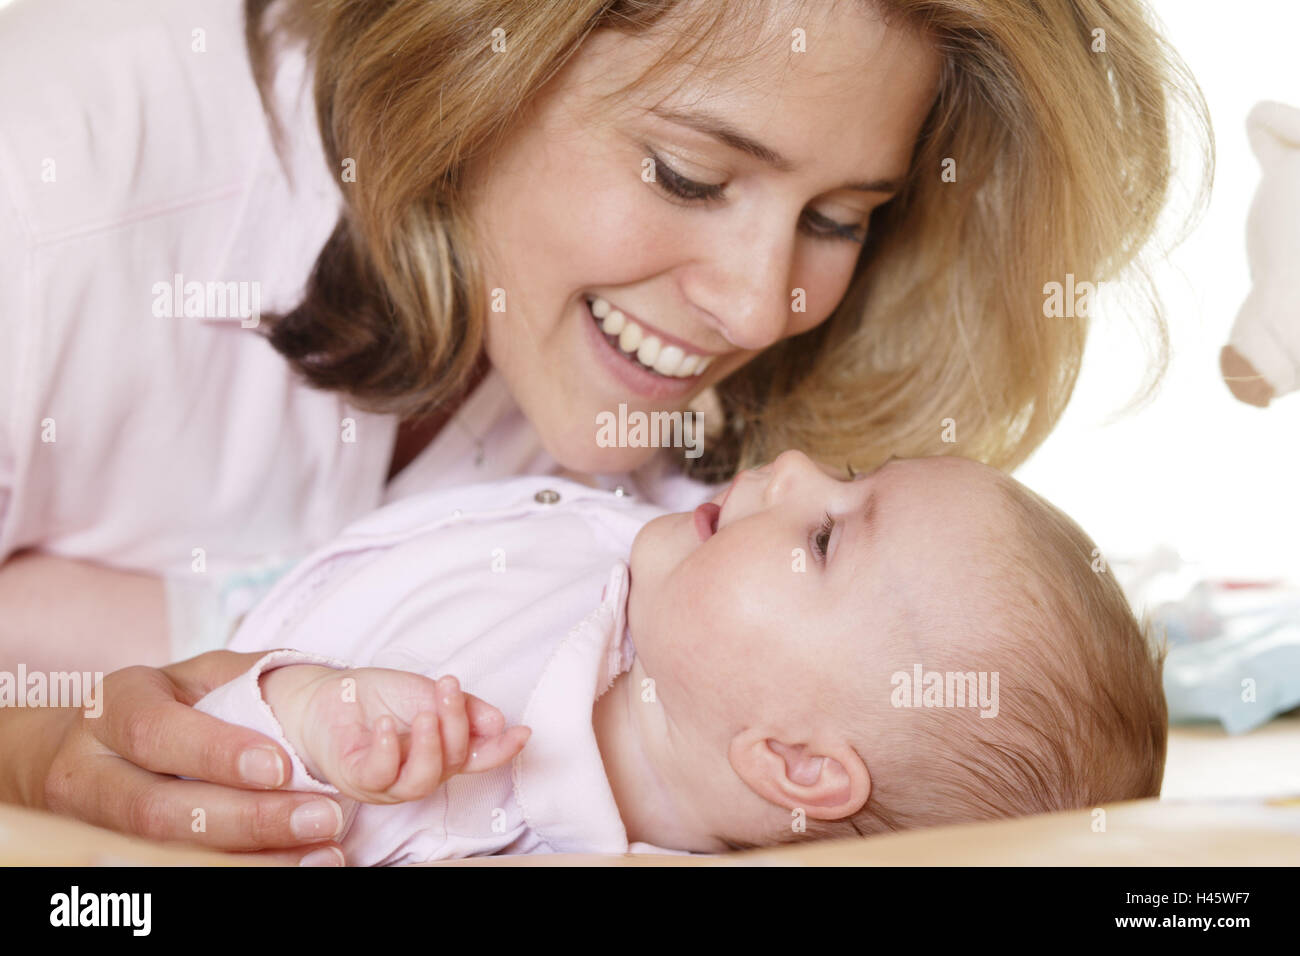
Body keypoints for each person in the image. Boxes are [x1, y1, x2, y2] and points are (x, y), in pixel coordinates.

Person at [0, 0, 1210, 861]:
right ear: (477, 55)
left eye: (839, 217)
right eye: (688, 175)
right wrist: (32, 743)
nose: (753, 302)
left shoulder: (711, 508)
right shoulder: (52, 183)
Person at [191, 450, 1166, 863]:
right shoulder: (656, 567)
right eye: (853, 474)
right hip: (260, 548)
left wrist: (304, 707)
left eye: (825, 535)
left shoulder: (471, 813)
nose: (794, 466)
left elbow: (195, 786)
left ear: (795, 763)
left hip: (212, 629)